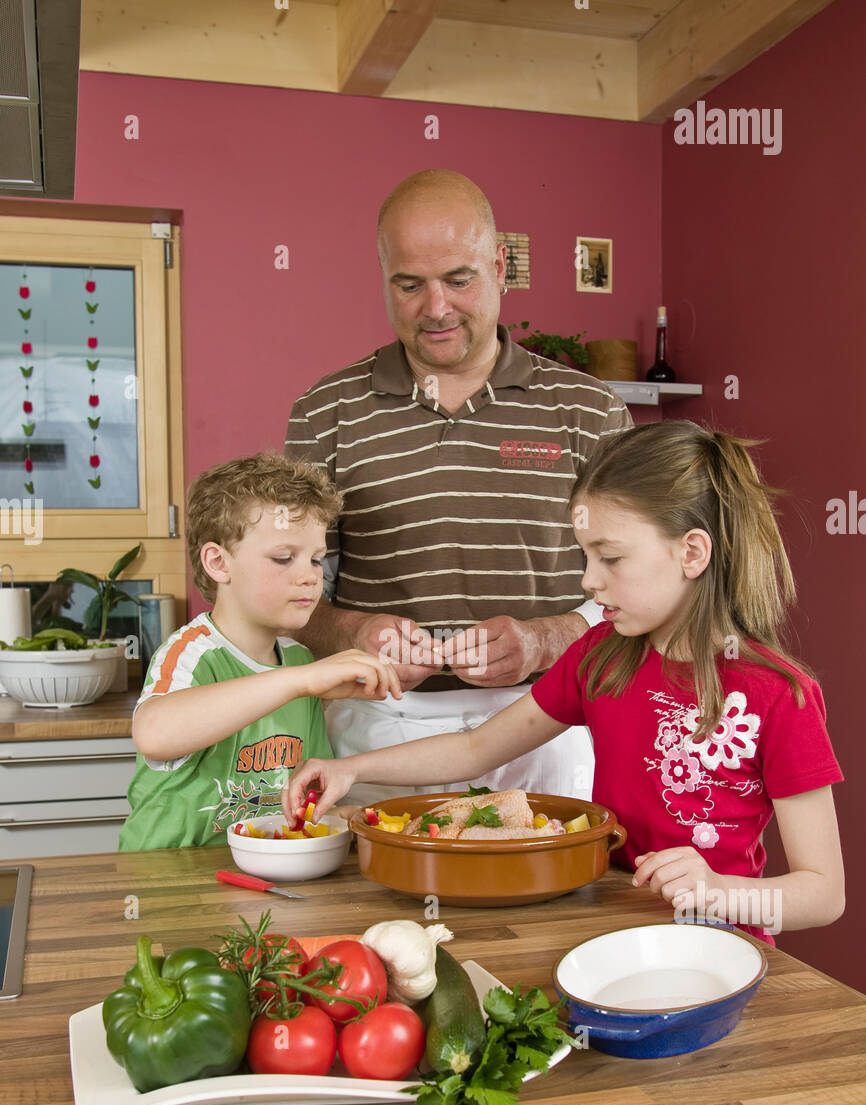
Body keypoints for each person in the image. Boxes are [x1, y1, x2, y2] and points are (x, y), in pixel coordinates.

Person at [284, 421, 846, 943]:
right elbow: (474, 748)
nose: (587, 580)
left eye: (611, 558)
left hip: (716, 950)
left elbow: (823, 894)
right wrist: (350, 768)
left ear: (691, 552)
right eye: (585, 555)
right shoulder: (599, 657)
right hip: (607, 931)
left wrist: (720, 892)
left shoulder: (779, 694)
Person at [284, 168, 633, 803]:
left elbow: (644, 583)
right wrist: (355, 631)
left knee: (553, 902)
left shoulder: (589, 410)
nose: (436, 308)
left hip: (546, 721)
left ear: (500, 266)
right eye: (410, 285)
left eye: (458, 279)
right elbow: (287, 594)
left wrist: (547, 639)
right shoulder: (325, 412)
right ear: (384, 276)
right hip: (380, 728)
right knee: (381, 905)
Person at [119, 450, 400, 851]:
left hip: (256, 879)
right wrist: (300, 682)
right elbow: (155, 733)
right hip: (169, 884)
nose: (309, 576)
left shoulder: (300, 664)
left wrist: (367, 821)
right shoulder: (193, 653)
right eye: (283, 558)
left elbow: (304, 796)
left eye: (317, 559)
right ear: (219, 563)